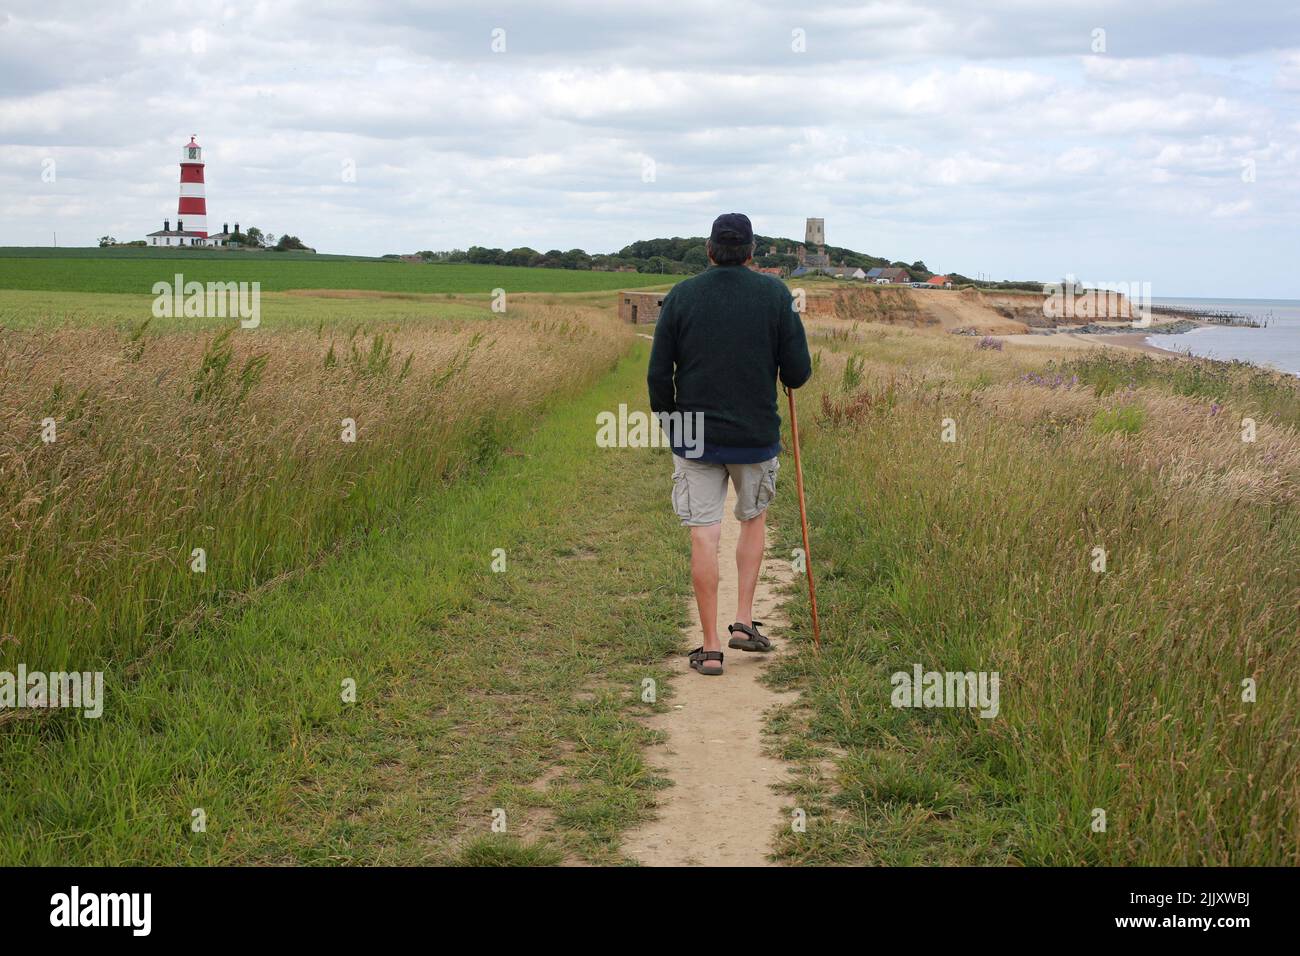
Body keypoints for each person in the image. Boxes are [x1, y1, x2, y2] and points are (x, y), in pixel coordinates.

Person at [647, 213, 812, 676]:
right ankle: (743, 620)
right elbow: (797, 373)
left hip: (694, 434)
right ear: (752, 251)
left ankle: (711, 646)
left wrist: (671, 425)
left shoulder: (681, 296)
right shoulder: (775, 295)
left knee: (705, 531)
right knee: (753, 519)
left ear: (709, 249)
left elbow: (659, 374)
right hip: (755, 434)